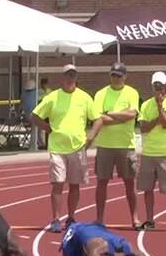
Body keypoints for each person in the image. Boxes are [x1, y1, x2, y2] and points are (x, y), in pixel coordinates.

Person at [30, 64, 110, 233]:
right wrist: (48, 128)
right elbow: (34, 116)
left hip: (77, 147)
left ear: (76, 78)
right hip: (57, 147)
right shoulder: (52, 97)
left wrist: (91, 136)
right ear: (62, 77)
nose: (70, 79)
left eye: (73, 76)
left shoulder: (85, 98)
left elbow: (98, 119)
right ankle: (55, 219)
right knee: (58, 183)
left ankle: (71, 216)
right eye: (67, 75)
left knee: (74, 185)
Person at [87, 62, 142, 230]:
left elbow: (131, 115)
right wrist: (120, 116)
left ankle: (135, 217)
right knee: (102, 182)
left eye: (118, 75)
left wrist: (109, 114)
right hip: (105, 145)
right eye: (113, 75)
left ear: (125, 76)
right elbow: (98, 118)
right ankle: (99, 218)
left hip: (126, 145)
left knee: (129, 183)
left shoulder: (132, 92)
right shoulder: (101, 94)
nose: (115, 78)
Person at [137, 72, 166, 232]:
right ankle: (149, 220)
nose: (158, 89)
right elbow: (143, 128)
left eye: (160, 86)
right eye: (155, 86)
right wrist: (156, 119)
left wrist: (159, 107)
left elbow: (165, 124)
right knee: (147, 189)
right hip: (149, 152)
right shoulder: (145, 105)